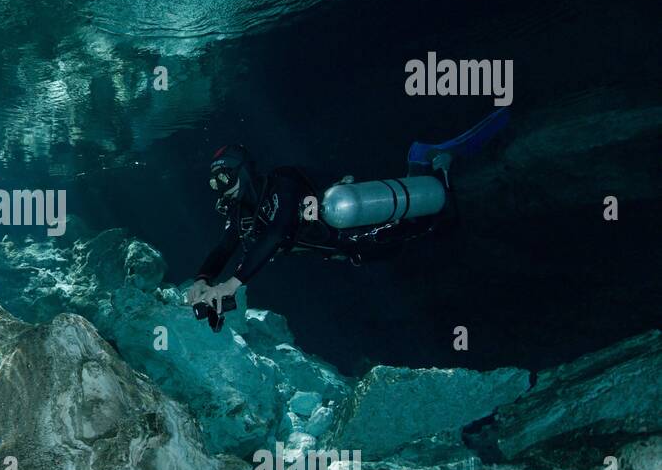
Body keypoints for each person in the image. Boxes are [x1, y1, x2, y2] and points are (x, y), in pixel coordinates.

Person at [186, 109, 509, 324]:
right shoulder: (241, 213)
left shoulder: (281, 183)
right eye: (214, 183)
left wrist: (231, 284)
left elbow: (279, 231)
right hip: (346, 248)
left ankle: (438, 166)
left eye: (225, 178)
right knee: (404, 240)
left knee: (427, 225)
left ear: (242, 171)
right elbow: (224, 247)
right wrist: (203, 280)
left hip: (355, 226)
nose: (220, 188)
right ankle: (422, 162)